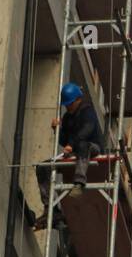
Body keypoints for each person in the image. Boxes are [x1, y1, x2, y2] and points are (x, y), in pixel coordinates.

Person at [35, 82, 104, 228]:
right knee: (43, 167)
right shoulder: (67, 118)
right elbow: (64, 141)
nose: (67, 107)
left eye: (69, 104)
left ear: (77, 100)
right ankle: (51, 208)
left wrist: (71, 145)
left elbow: (87, 130)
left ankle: (79, 182)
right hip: (75, 153)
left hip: (92, 149)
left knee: (81, 145)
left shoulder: (87, 111)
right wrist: (57, 130)